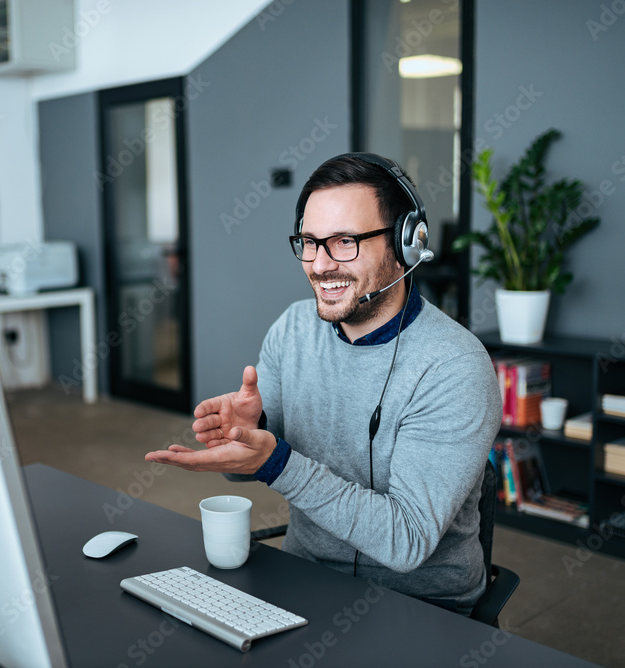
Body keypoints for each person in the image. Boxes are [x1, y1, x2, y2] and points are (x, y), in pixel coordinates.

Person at [145, 153, 502, 614]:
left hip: (423, 604)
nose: (319, 265)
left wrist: (276, 460)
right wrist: (247, 440)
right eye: (309, 243)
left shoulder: (454, 367)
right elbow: (251, 466)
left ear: (404, 245)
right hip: (305, 576)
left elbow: (407, 542)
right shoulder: (292, 329)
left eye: (344, 242)